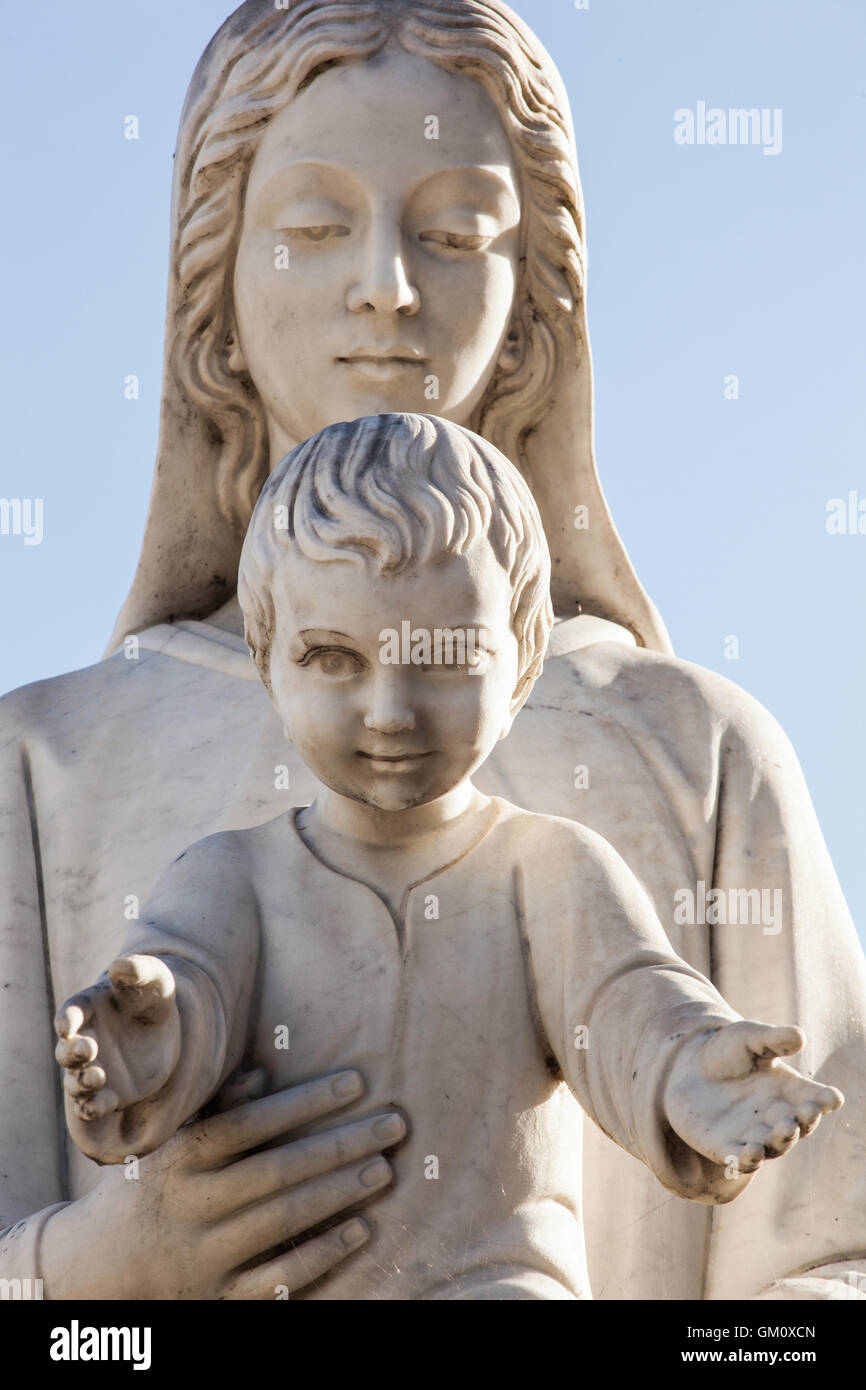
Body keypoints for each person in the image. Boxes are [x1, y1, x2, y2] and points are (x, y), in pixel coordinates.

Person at [2, 0, 864, 1301]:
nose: (387, 286)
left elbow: (828, 1262)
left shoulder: (696, 748)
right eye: (312, 226)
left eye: (456, 233)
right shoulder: (43, 765)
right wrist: (99, 1271)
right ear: (212, 283)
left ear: (534, 301)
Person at [55, 415, 842, 1301]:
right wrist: (146, 1044)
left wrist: (688, 1078)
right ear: (267, 662)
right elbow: (184, 986)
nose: (389, 711)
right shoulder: (230, 878)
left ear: (522, 664)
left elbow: (629, 1003)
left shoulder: (545, 867)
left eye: (443, 660)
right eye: (333, 659)